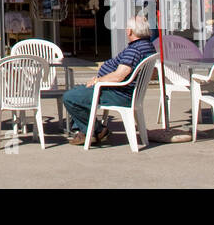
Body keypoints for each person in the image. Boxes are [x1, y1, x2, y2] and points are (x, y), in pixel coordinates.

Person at [61, 15, 157, 146]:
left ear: (130, 31)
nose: (125, 30)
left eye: (127, 28)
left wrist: (98, 80)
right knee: (80, 91)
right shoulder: (147, 46)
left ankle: (96, 130)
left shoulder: (135, 50)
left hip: (119, 93)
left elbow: (119, 76)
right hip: (124, 91)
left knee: (70, 97)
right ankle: (85, 131)